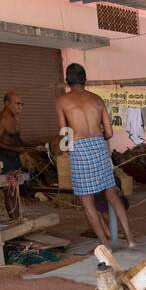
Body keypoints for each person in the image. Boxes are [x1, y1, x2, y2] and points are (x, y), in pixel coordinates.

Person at [55, 63, 134, 248]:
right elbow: (109, 132)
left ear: (67, 81)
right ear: (85, 80)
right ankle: (130, 238)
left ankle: (104, 244)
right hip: (99, 146)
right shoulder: (97, 99)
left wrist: (66, 148)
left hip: (79, 148)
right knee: (112, 194)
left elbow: (64, 132)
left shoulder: (62, 101)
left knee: (87, 200)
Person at [0, 91, 33, 218]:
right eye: (17, 104)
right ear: (7, 103)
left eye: (21, 104)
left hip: (14, 158)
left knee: (15, 190)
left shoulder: (15, 118)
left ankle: (17, 218)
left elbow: (17, 139)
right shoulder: (3, 119)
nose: (20, 107)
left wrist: (35, 143)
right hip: (5, 158)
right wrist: (16, 149)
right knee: (8, 190)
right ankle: (14, 220)